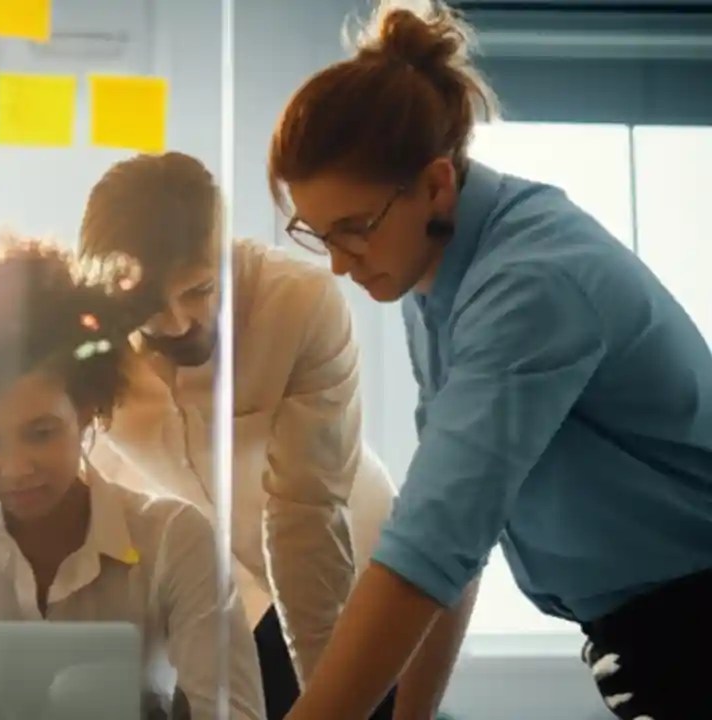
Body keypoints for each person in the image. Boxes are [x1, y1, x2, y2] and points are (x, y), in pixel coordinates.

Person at [267, 4, 712, 720]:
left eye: (355, 230)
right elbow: (458, 528)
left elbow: (433, 542)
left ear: (437, 184)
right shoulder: (432, 282)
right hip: (647, 634)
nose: (341, 266)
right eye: (319, 236)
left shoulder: (529, 283)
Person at [0, 236, 267, 720]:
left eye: (41, 433)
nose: (14, 468)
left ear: (88, 410)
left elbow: (235, 713)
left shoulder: (174, 539)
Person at [79, 151, 405, 719]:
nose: (177, 323)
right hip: (236, 590)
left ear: (223, 249)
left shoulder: (297, 305)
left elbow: (305, 514)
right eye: (148, 306)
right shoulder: (89, 339)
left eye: (199, 290)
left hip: (351, 568)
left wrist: (328, 700)